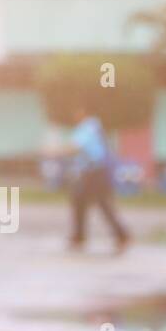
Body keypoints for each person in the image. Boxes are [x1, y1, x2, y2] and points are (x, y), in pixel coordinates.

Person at [67, 106, 130, 253]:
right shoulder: (93, 127)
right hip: (89, 172)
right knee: (79, 201)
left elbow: (76, 147)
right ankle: (79, 237)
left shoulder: (89, 127)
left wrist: (53, 151)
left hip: (95, 172)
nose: (73, 114)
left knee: (102, 204)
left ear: (83, 111)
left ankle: (122, 235)